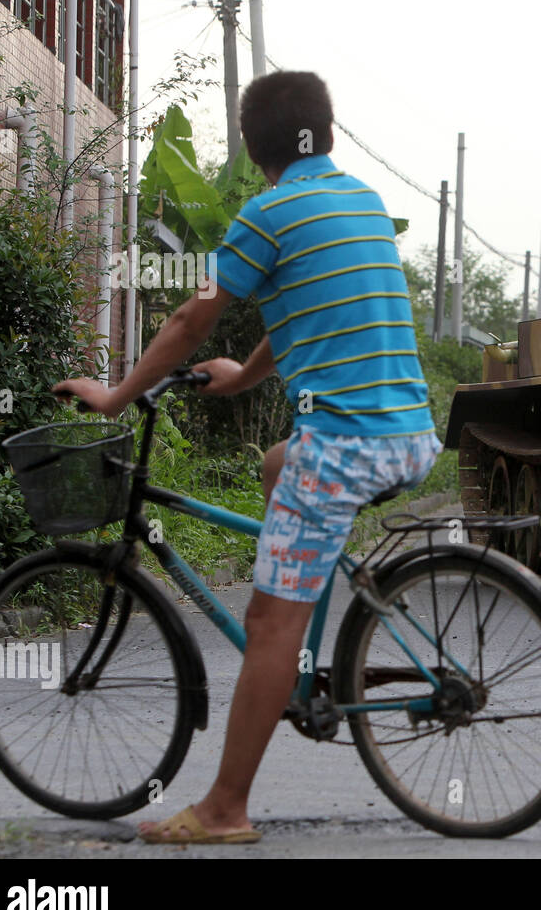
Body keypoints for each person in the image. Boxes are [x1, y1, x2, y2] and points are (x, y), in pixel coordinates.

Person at [53, 71, 440, 844]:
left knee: (267, 622)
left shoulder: (267, 213)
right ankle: (313, 585)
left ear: (255, 150)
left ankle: (225, 808)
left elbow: (193, 321)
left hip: (345, 447)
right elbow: (303, 304)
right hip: (410, 434)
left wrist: (118, 395)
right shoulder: (360, 201)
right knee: (273, 467)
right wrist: (249, 376)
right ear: (324, 135)